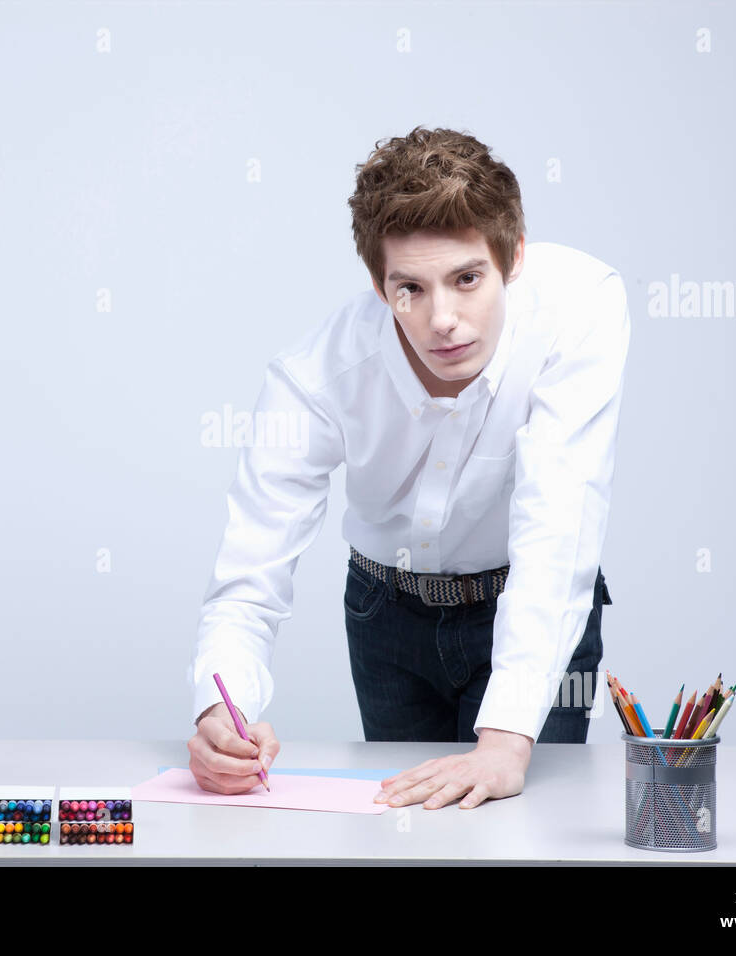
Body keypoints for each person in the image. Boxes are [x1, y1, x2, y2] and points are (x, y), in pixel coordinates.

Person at [186, 126, 629, 810]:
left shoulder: (581, 308)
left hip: (529, 598)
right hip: (386, 614)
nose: (443, 319)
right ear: (377, 283)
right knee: (406, 834)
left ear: (512, 257)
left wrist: (506, 744)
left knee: (520, 831)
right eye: (410, 289)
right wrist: (222, 710)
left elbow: (559, 520)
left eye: (467, 279)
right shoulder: (317, 376)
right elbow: (249, 577)